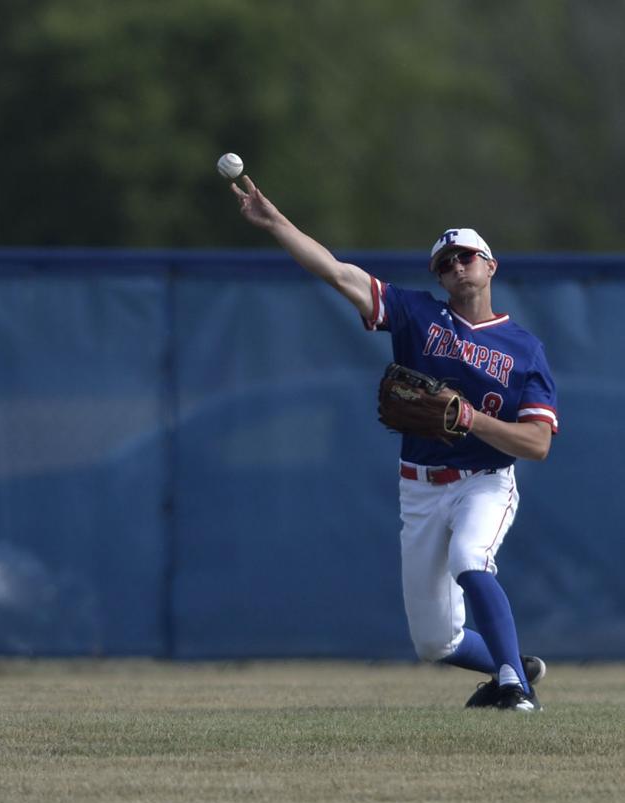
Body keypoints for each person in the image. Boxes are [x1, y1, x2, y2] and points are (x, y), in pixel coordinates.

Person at [232, 175, 558, 712]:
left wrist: (470, 419)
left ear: (490, 265)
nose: (456, 267)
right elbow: (338, 273)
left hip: (485, 482)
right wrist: (275, 223)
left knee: (470, 559)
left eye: (466, 257)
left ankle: (516, 691)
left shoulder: (524, 349)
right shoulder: (418, 315)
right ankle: (512, 662)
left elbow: (538, 443)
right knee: (436, 642)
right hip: (420, 487)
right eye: (445, 263)